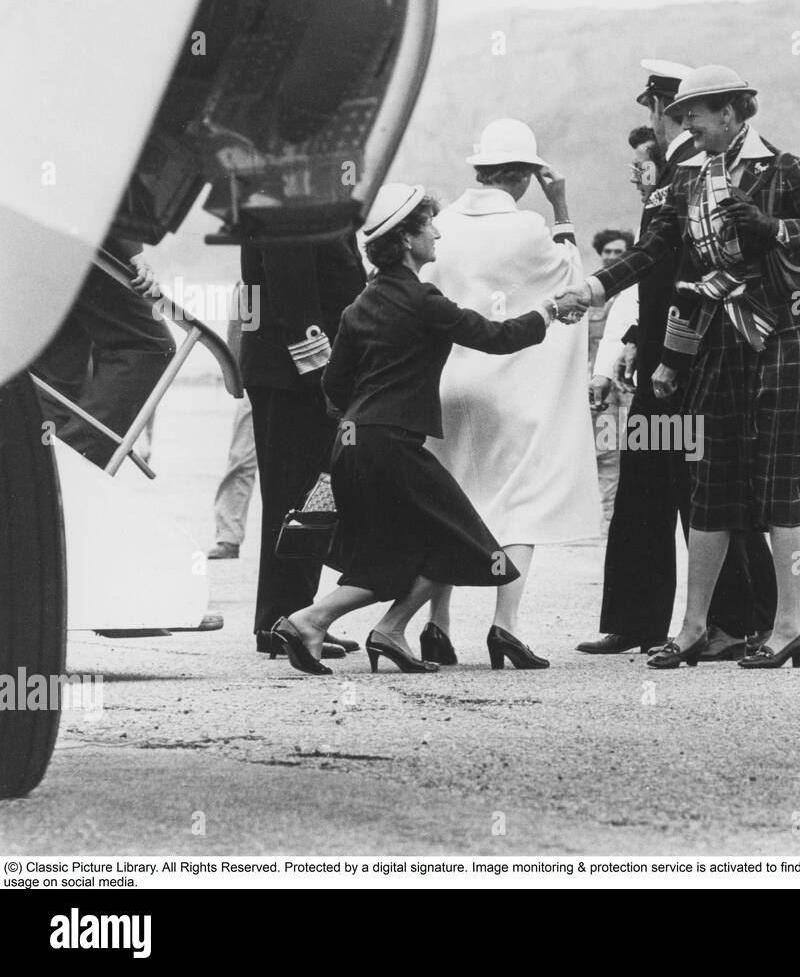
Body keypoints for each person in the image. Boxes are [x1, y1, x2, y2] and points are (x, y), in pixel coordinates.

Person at [557, 65, 800, 670]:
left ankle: (787, 625)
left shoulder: (782, 168)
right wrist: (593, 289)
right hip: (715, 349)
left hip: (784, 344)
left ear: (731, 112)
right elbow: (654, 253)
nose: (684, 122)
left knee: (780, 491)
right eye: (683, 113)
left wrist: (772, 227)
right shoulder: (687, 180)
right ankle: (694, 627)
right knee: (710, 487)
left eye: (694, 113)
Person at [271, 184, 574, 675]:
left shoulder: (360, 305)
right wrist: (551, 311)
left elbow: (334, 384)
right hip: (393, 444)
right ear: (408, 241)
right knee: (461, 539)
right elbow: (497, 338)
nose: (436, 232)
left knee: (399, 553)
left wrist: (362, 421)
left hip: (354, 444)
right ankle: (311, 619)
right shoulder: (422, 300)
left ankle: (380, 630)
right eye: (428, 226)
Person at [575, 61, 780, 663]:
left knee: (708, 491)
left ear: (669, 108)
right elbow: (661, 274)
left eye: (656, 110)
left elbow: (691, 272)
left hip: (695, 354)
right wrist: (637, 335)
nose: (656, 122)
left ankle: (742, 618)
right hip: (661, 350)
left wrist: (664, 348)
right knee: (644, 484)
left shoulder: (700, 172)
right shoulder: (669, 173)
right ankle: (635, 618)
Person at [419, 119, 599, 668]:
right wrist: (561, 206)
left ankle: (438, 625)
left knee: (449, 504)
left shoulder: (440, 224)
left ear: (479, 170)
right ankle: (505, 626)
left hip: (447, 384)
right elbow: (573, 282)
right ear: (524, 176)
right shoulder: (526, 228)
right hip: (512, 386)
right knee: (521, 501)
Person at [239, 232, 367, 661]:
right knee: (295, 496)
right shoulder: (291, 205)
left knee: (304, 496)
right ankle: (281, 621)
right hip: (295, 374)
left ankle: (290, 617)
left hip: (286, 370)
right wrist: (325, 374)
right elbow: (293, 293)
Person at [31, 234, 175, 469]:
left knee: (58, 377)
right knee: (151, 345)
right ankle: (68, 465)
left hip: (36, 234)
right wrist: (132, 250)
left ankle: (39, 474)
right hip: (74, 234)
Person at [587, 227, 635, 532]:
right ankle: (607, 519)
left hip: (630, 379)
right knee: (605, 451)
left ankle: (630, 517)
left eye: (619, 252)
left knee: (640, 445)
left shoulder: (636, 285)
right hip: (600, 378)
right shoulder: (592, 291)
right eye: (608, 251)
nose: (613, 256)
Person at [208, 316, 256, 560]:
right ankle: (228, 535)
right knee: (242, 456)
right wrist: (239, 377)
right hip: (260, 377)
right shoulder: (253, 283)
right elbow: (240, 323)